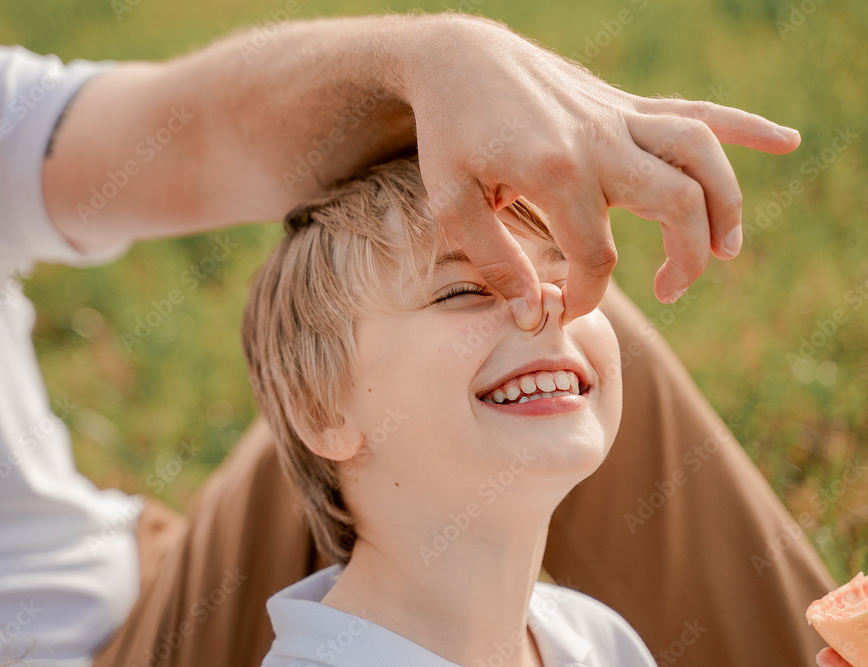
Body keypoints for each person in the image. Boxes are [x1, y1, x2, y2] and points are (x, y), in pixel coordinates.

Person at [0, 10, 835, 667]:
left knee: (526, 313)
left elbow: (192, 137)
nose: (540, 305)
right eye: (459, 292)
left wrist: (439, 62)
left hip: (145, 600)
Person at [243, 155, 654, 666]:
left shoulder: (602, 643)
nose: (545, 304)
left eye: (563, 278)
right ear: (322, 412)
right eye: (461, 291)